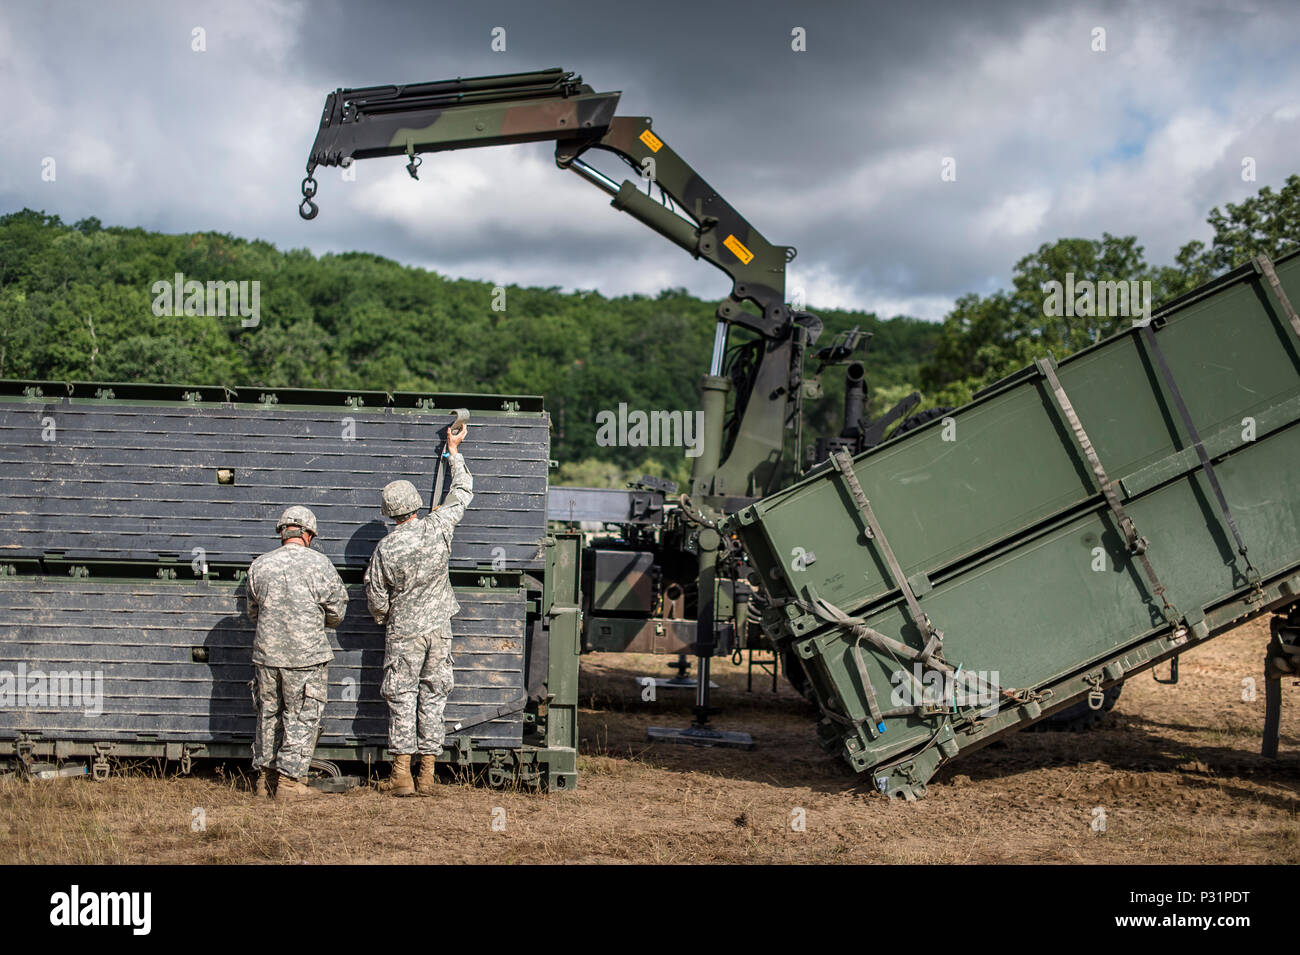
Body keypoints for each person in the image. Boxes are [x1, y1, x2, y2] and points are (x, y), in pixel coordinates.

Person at [364, 423, 472, 796]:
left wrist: (386, 618)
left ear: (388, 513)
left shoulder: (385, 550)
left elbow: (376, 597)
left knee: (401, 698)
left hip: (404, 632)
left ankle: (401, 775)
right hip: (439, 629)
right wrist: (453, 451)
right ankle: (427, 774)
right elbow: (462, 492)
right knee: (434, 696)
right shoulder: (438, 527)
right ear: (414, 506)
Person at [245, 505, 348, 801]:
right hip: (306, 657)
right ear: (308, 533)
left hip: (267, 656)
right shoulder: (320, 566)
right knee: (301, 716)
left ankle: (264, 780)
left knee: (268, 715)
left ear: (282, 532)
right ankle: (289, 783)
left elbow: (253, 612)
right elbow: (337, 613)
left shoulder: (260, 566)